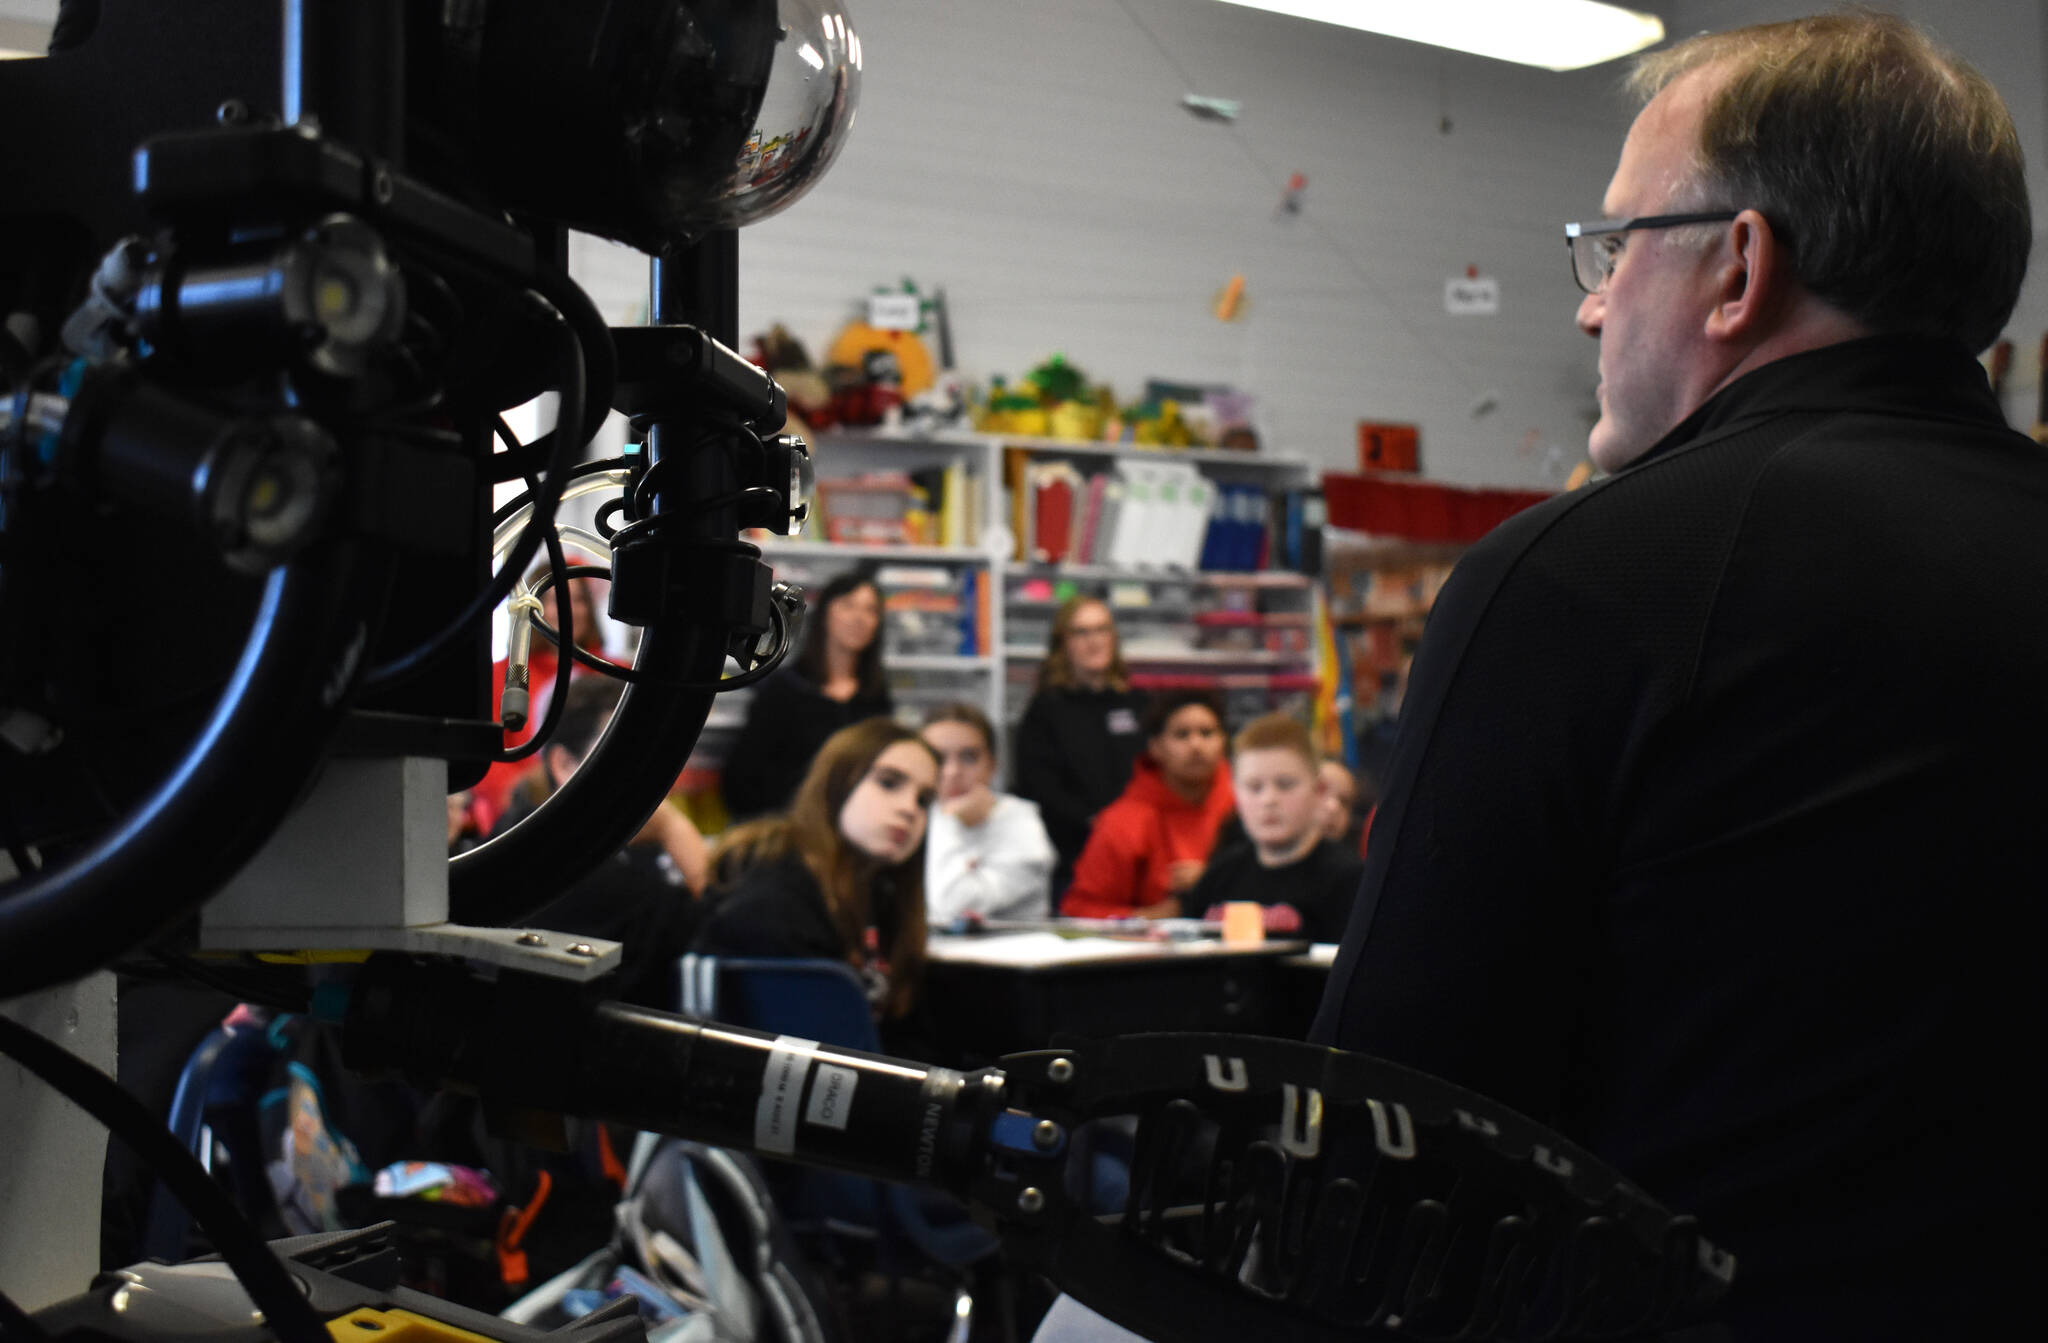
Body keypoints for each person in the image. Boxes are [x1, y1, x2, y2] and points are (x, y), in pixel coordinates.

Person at [1307, 15, 2041, 1339]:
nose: (1590, 301)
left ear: (1737, 267)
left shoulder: (1581, 576)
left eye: (1616, 245)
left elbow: (1381, 1122)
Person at [694, 717, 937, 1027]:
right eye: (888, 782)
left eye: (924, 800)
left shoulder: (880, 893)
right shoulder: (770, 898)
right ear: (837, 782)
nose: (909, 808)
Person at [488, 677, 708, 1007]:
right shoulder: (586, 872)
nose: (650, 775)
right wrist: (674, 828)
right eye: (626, 756)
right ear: (563, 763)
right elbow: (721, 928)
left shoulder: (517, 828)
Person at [720, 569, 892, 820]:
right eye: (849, 605)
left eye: (871, 610)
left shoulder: (876, 697)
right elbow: (742, 781)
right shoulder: (786, 690)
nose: (860, 618)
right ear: (825, 613)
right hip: (787, 827)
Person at [1012, 596, 1149, 896]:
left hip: (1138, 853)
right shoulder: (1046, 709)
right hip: (1072, 857)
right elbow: (1037, 786)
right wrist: (1094, 821)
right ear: (1063, 644)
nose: (1094, 641)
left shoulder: (1138, 703)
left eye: (1102, 630)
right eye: (1081, 632)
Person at [1186, 713, 1361, 943]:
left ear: (1318, 790)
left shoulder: (1350, 881)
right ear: (1235, 792)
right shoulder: (1219, 876)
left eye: (1285, 784)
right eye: (1254, 787)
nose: (1269, 799)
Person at [1059, 689, 1232, 920]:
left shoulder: (1248, 808)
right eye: (1182, 734)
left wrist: (1212, 881)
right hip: (1151, 951)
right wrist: (1148, 918)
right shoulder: (1123, 822)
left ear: (1223, 742)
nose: (1196, 745)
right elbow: (1078, 910)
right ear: (1155, 747)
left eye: (1207, 733)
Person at [469, 564, 612, 834]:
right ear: (532, 607)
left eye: (579, 600)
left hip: (601, 812)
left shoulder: (613, 671)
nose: (569, 609)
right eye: (556, 600)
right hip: (519, 819)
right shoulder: (501, 675)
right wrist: (526, 791)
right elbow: (482, 752)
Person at [919, 701, 1057, 925]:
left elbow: (952, 907)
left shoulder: (1021, 822)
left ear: (992, 765)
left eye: (969, 757)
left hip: (1009, 956)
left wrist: (950, 820)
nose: (952, 772)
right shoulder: (916, 816)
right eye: (938, 759)